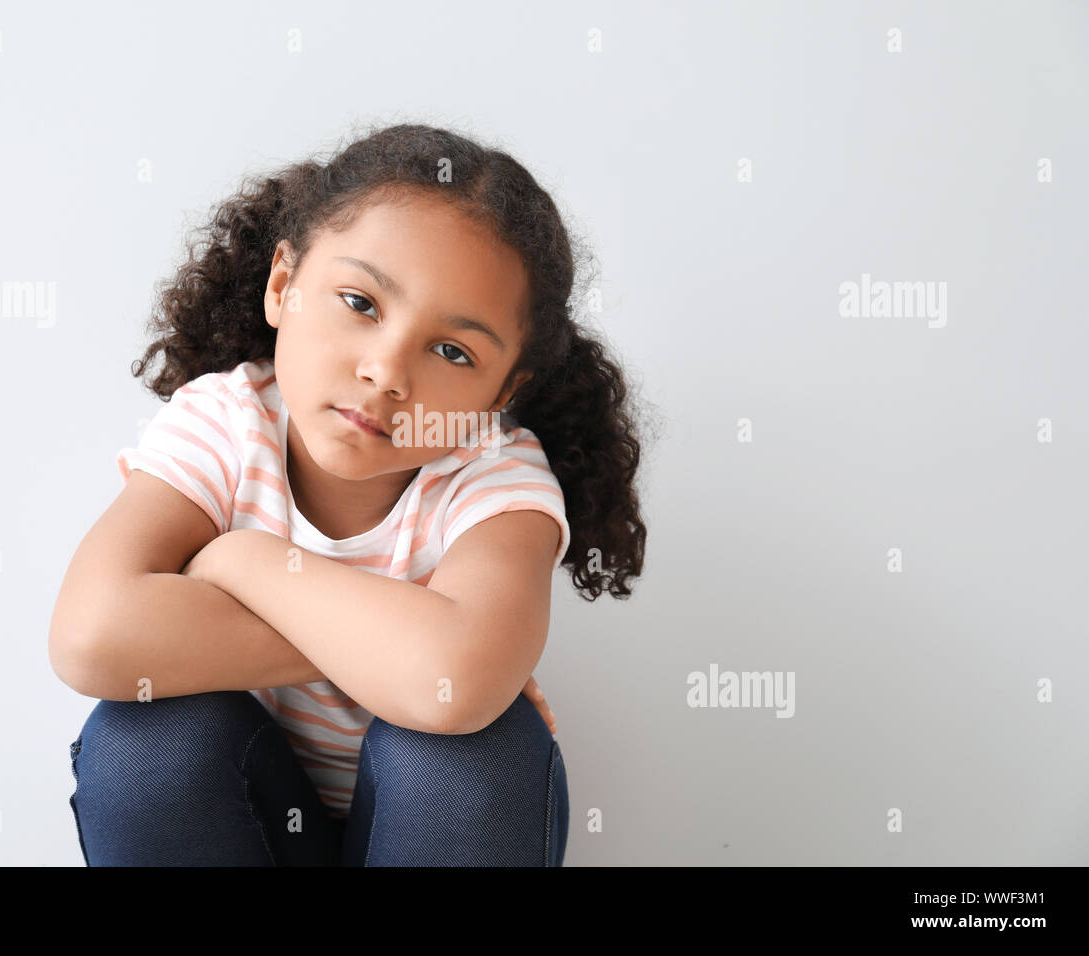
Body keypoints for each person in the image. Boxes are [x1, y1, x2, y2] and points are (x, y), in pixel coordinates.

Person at [51, 121, 650, 866]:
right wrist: (405, 646)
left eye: (452, 351)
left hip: (433, 833)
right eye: (361, 303)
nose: (387, 371)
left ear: (504, 391)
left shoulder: (494, 478)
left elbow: (449, 687)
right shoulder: (226, 423)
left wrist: (242, 559)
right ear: (283, 286)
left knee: (464, 757)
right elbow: (90, 638)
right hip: (247, 823)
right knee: (144, 743)